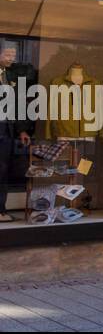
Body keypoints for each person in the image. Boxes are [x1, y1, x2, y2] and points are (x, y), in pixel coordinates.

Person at [0, 41, 34, 223]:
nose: (11, 58)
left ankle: (0, 210)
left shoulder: (12, 74)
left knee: (2, 169)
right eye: (7, 55)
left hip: (6, 129)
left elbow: (19, 104)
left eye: (13, 55)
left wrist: (22, 130)